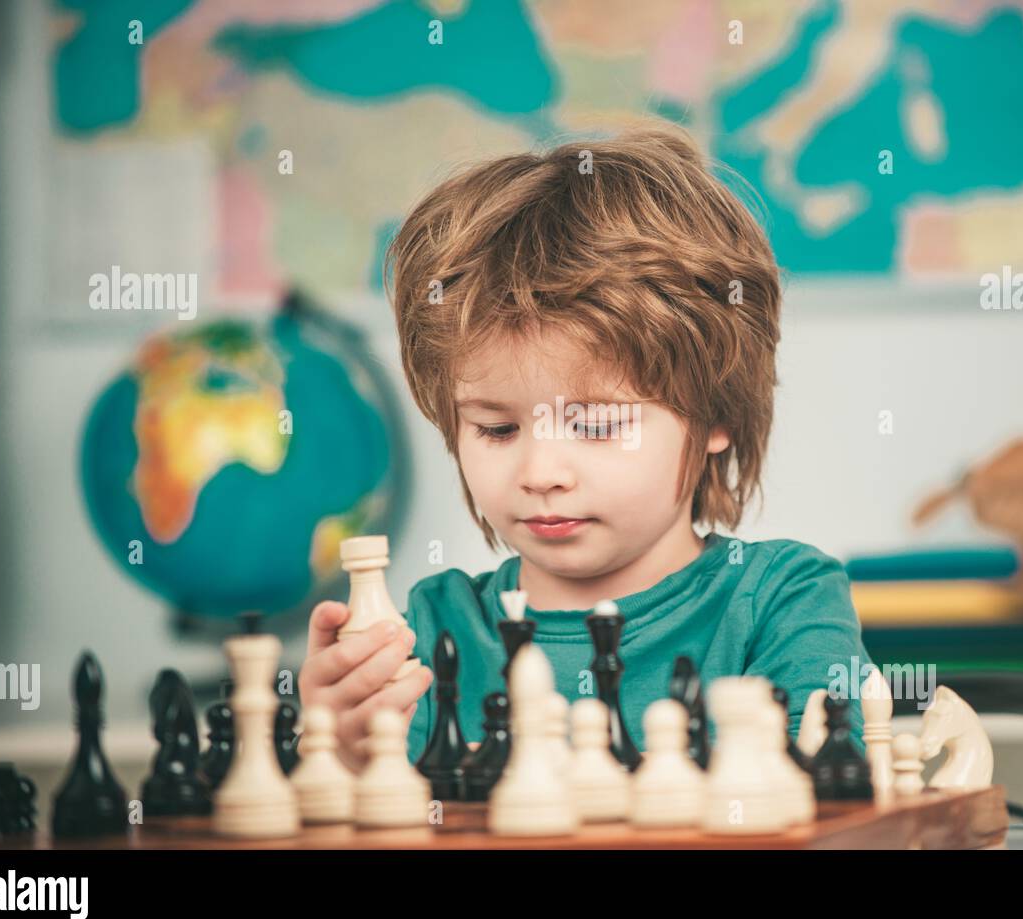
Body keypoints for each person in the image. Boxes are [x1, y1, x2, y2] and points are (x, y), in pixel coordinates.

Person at [299, 123, 874, 767]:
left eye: (596, 426)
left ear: (717, 415)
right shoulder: (432, 629)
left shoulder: (780, 600)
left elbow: (833, 805)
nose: (541, 471)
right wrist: (338, 751)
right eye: (497, 429)